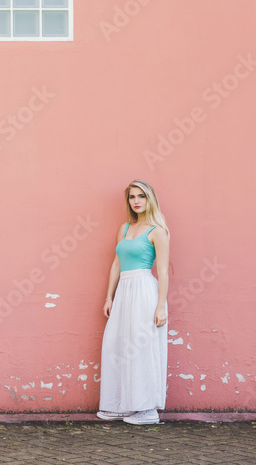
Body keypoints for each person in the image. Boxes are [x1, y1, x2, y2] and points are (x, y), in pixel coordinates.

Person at [97, 179, 170, 425]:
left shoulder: (158, 231)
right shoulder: (125, 228)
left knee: (142, 348)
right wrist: (109, 296)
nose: (136, 201)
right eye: (132, 197)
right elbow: (116, 263)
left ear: (150, 199)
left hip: (145, 292)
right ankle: (122, 405)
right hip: (124, 292)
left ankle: (147, 409)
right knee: (117, 345)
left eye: (141, 196)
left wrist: (161, 306)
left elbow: (163, 272)